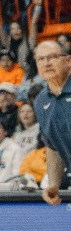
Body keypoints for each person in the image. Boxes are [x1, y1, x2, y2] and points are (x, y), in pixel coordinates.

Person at [33, 37, 70, 205]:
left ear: (68, 61)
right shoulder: (40, 102)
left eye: (52, 57)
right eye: (41, 59)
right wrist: (53, 184)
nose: (46, 63)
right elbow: (52, 147)